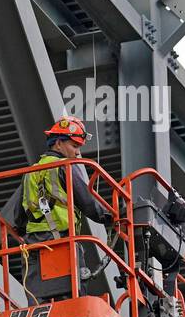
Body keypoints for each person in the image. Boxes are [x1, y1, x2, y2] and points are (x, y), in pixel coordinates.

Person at [8, 115, 112, 301]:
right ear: (58, 144)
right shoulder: (66, 166)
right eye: (74, 146)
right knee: (72, 299)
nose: (77, 153)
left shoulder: (31, 172)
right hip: (62, 243)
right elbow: (87, 203)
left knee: (40, 302)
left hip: (35, 247)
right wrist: (110, 216)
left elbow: (18, 217)